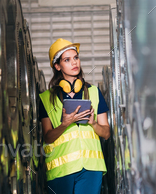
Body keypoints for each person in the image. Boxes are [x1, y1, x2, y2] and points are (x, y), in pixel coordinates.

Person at [39, 38, 110, 194]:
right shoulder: (45, 98)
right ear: (57, 66)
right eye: (67, 60)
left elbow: (106, 133)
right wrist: (65, 124)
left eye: (76, 58)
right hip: (61, 170)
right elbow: (47, 137)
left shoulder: (94, 93)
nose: (74, 63)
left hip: (91, 169)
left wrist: (94, 123)